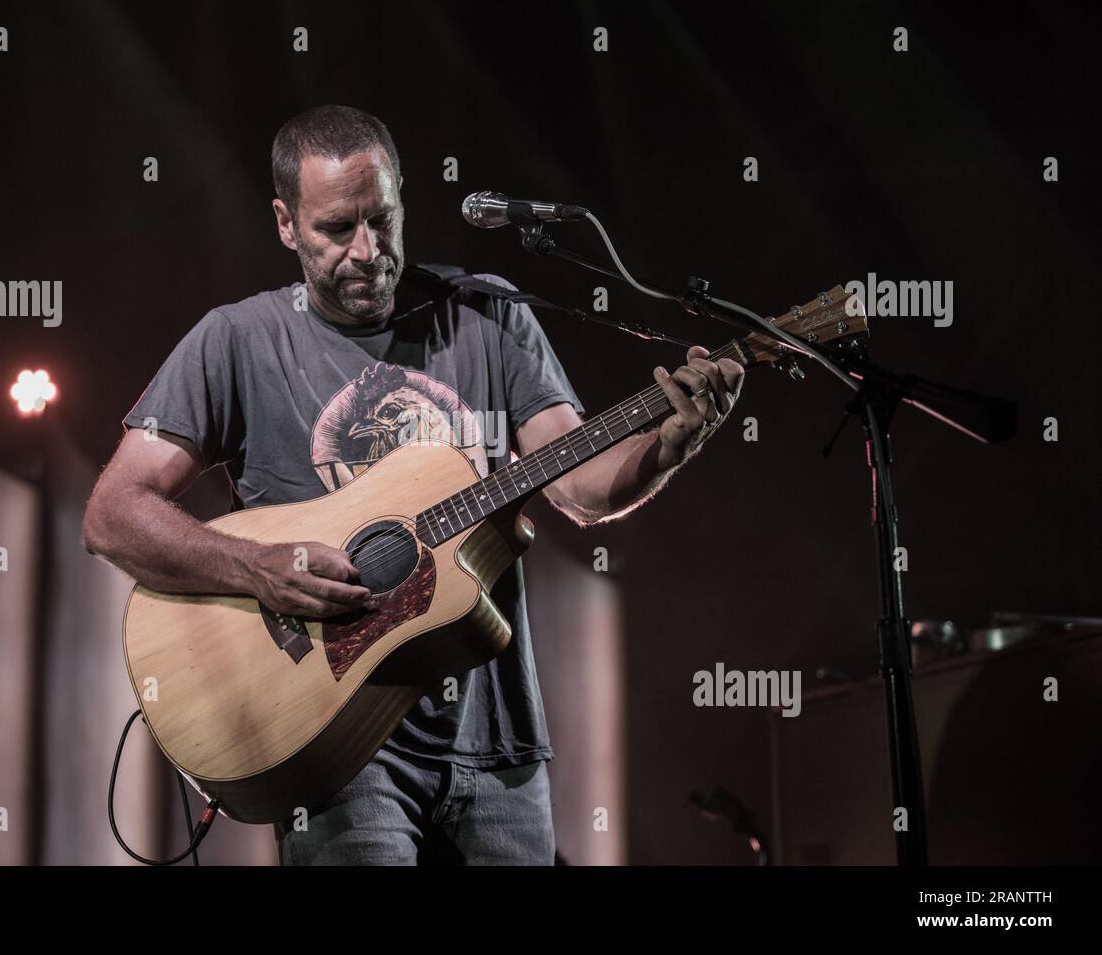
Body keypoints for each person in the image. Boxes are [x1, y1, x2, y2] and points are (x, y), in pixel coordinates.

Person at [82, 104, 744, 865]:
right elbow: (113, 514)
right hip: (338, 748)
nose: (367, 251)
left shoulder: (487, 313)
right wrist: (257, 566)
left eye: (383, 220)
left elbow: (581, 486)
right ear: (285, 223)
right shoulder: (237, 340)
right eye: (337, 229)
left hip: (500, 745)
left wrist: (667, 448)